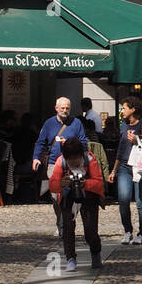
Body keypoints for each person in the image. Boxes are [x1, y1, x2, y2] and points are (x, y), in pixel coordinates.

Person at [32, 97, 88, 233]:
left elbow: (84, 143)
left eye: (67, 108)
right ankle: (61, 221)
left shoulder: (76, 123)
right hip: (53, 164)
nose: (65, 110)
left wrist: (69, 142)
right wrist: (36, 158)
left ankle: (67, 223)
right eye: (62, 108)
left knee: (72, 194)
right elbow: (41, 142)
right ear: (56, 108)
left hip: (72, 163)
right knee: (55, 196)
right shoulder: (49, 123)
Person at [49, 135, 104, 271]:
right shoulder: (60, 162)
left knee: (90, 230)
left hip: (88, 196)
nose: (73, 161)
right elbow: (53, 185)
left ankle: (95, 252)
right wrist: (61, 183)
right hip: (68, 196)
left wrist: (86, 184)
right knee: (67, 228)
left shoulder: (90, 159)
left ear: (81, 155)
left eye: (76, 158)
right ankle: (70, 258)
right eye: (70, 158)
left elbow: (99, 183)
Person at [107, 95, 142, 244]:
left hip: (140, 167)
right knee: (123, 199)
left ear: (133, 109)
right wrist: (114, 170)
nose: (122, 111)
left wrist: (136, 140)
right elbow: (120, 149)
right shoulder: (123, 126)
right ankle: (127, 231)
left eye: (124, 108)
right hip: (125, 167)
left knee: (140, 202)